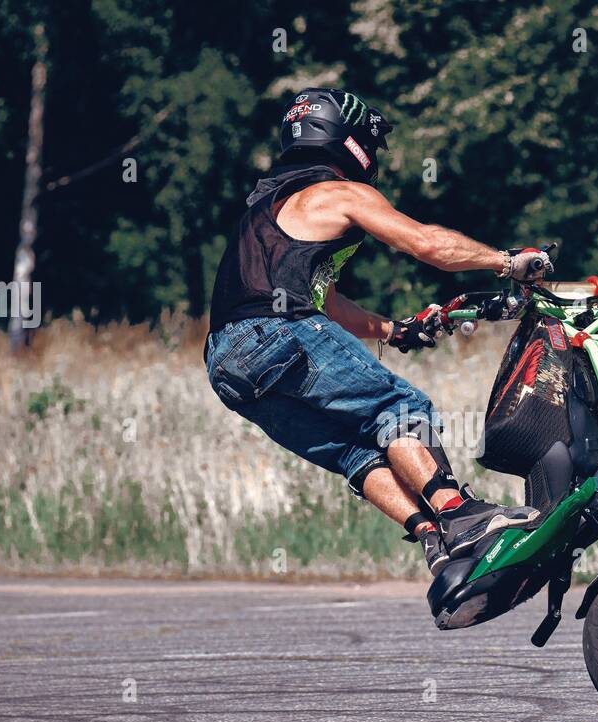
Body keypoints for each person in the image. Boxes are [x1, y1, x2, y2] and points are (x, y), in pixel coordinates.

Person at [206, 88, 553, 574]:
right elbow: (425, 243)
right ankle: (460, 516)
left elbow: (321, 296)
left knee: (354, 450)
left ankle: (433, 538)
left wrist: (392, 330)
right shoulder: (339, 192)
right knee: (402, 410)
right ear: (351, 142)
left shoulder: (269, 206)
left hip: (227, 364)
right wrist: (507, 261)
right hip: (276, 332)